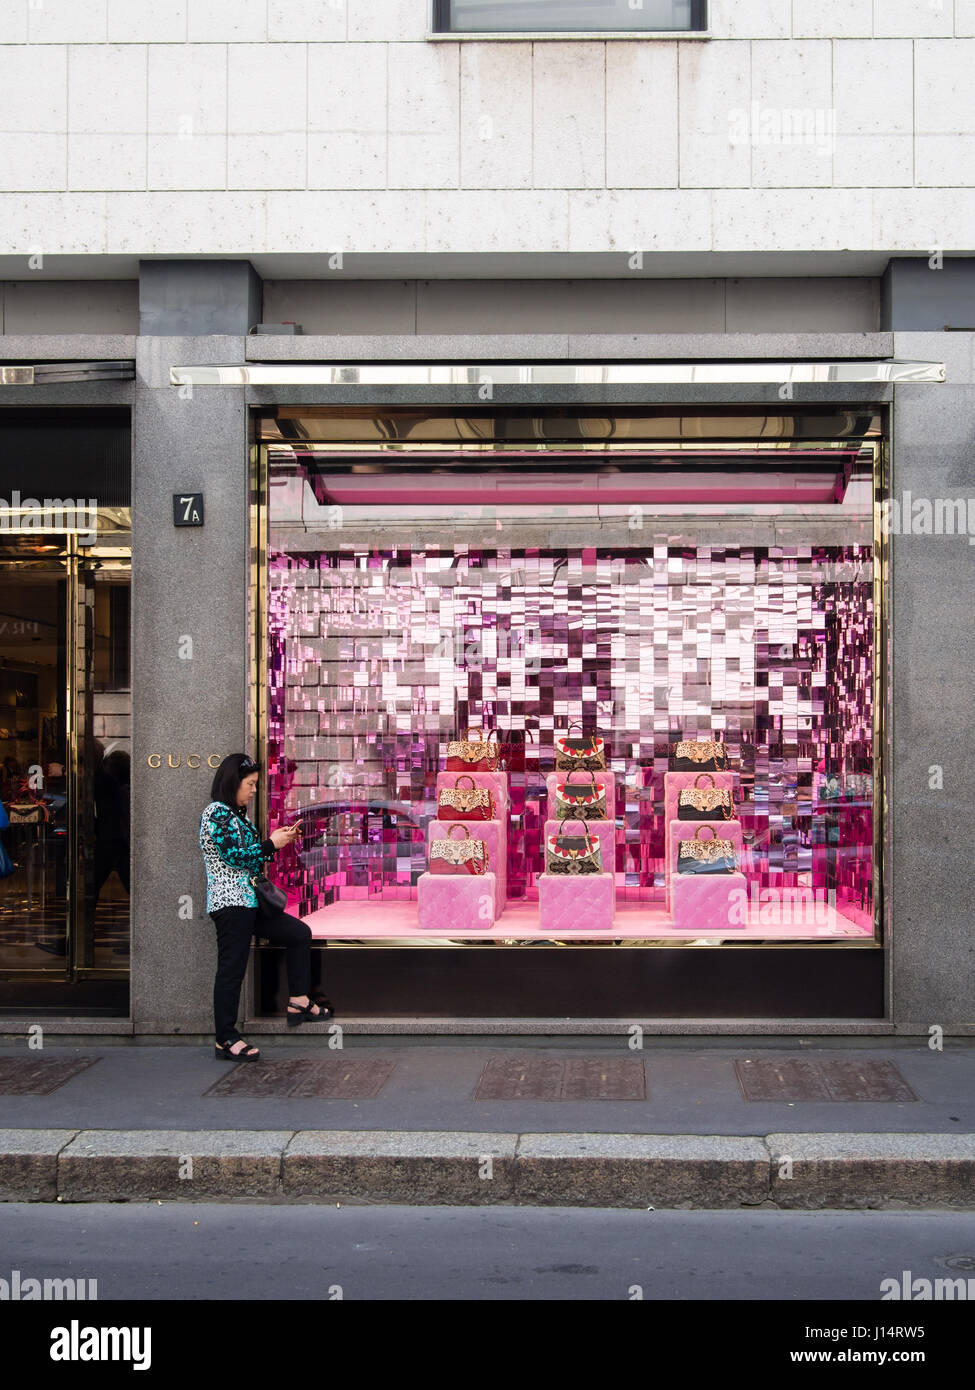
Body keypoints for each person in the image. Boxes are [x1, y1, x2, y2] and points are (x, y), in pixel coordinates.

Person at [200, 753, 333, 1061]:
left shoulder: (237, 814)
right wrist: (272, 844)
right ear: (233, 782)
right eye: (250, 784)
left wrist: (281, 840)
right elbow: (235, 856)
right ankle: (225, 1038)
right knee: (231, 970)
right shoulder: (217, 814)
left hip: (251, 901)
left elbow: (252, 854)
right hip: (230, 903)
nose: (253, 790)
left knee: (299, 934)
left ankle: (299, 999)